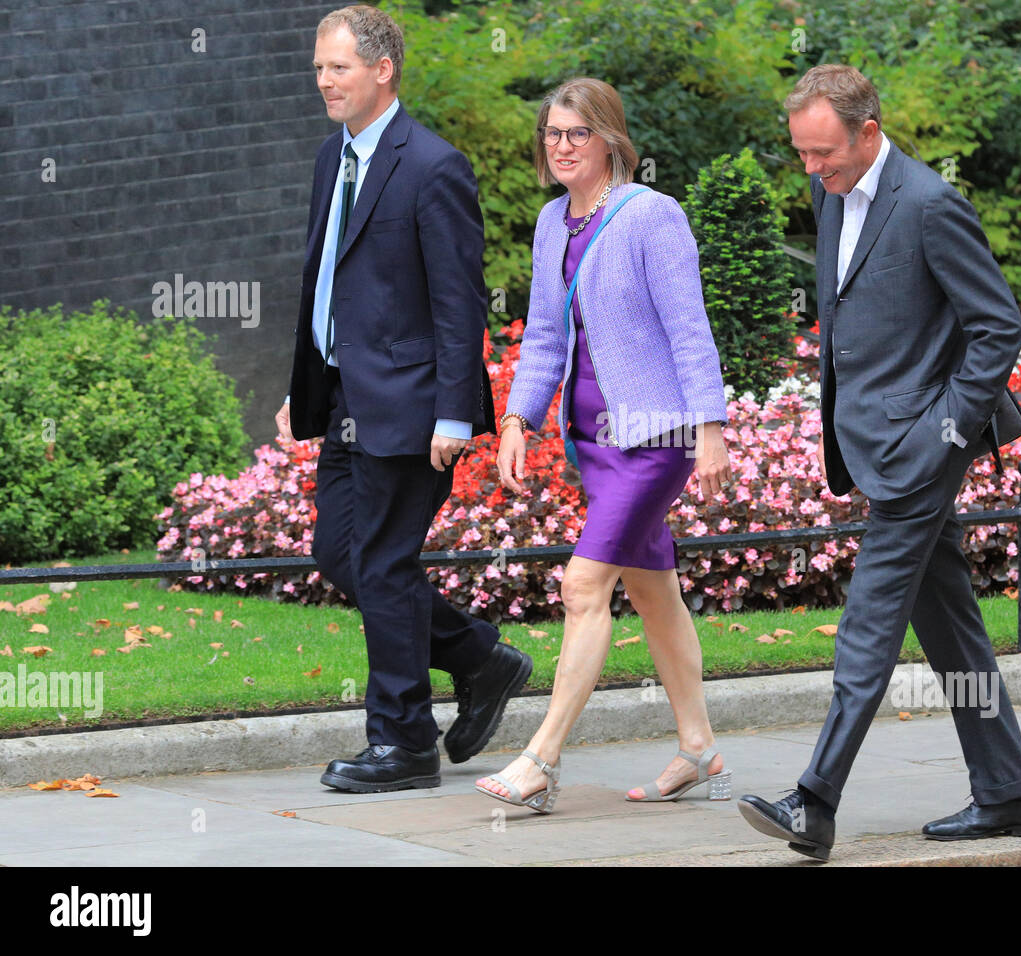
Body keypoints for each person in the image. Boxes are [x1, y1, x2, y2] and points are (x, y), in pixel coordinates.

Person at [737, 65, 1021, 860]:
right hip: (878, 441)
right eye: (802, 154)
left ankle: (815, 799)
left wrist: (946, 431)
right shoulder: (830, 190)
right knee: (950, 628)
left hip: (920, 451)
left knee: (867, 628)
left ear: (868, 132)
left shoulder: (932, 203)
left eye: (824, 153)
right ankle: (1009, 792)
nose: (812, 169)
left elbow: (998, 327)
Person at [275, 4, 531, 793]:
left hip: (413, 405)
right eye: (320, 66)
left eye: (338, 67)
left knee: (382, 565)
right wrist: (303, 385)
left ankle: (402, 745)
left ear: (382, 70)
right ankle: (477, 657)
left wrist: (456, 413)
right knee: (340, 555)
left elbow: (458, 304)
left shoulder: (432, 167)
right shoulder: (332, 159)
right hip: (345, 397)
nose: (324, 79)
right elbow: (329, 282)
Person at [474, 77, 733, 813]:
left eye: (576, 134)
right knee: (654, 592)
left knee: (584, 586)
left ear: (610, 139)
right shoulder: (553, 222)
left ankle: (539, 759)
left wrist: (710, 429)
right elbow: (546, 336)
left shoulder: (653, 216)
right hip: (593, 441)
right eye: (551, 135)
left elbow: (689, 328)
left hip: (654, 439)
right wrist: (519, 421)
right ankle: (698, 746)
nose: (560, 147)